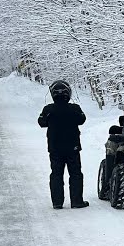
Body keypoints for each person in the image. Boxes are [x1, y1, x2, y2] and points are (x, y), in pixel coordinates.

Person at [38, 79, 89, 209]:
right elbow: (82, 119)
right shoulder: (74, 108)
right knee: (76, 173)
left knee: (56, 174)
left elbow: (41, 122)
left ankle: (57, 202)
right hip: (73, 147)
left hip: (55, 148)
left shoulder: (48, 109)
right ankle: (77, 201)